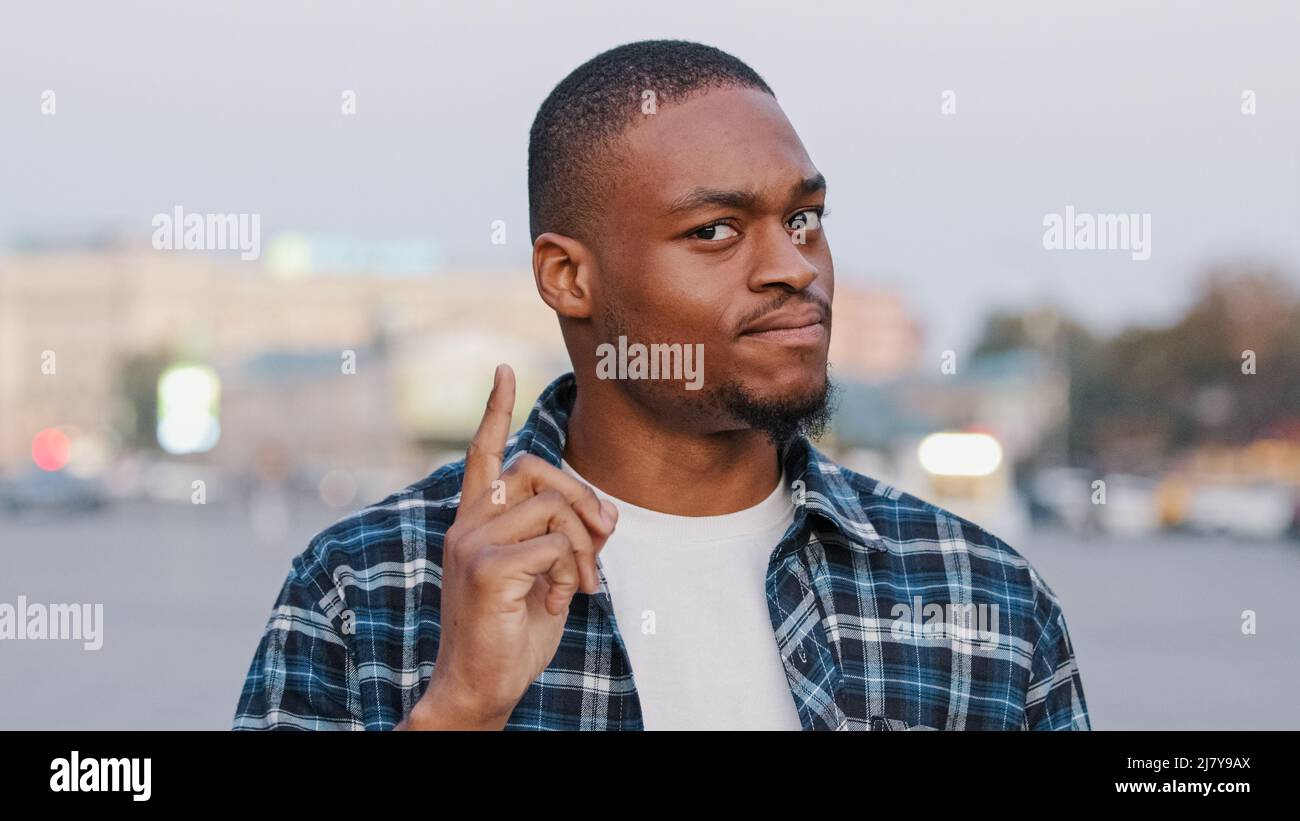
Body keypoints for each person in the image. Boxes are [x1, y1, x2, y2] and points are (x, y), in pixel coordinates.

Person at [234, 39, 1090, 731]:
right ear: (569, 278)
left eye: (804, 219)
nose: (795, 267)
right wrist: (461, 710)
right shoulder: (370, 591)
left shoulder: (984, 604)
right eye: (715, 230)